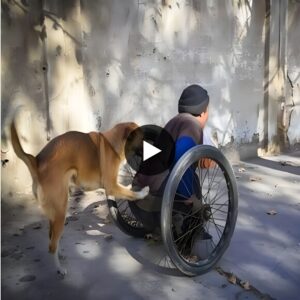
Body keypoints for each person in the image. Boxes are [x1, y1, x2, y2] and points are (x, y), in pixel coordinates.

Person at [131, 84, 211, 232]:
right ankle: (189, 236)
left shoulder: (174, 122)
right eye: (208, 110)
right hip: (158, 210)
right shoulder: (192, 126)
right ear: (202, 112)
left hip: (137, 205)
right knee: (192, 181)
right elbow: (181, 159)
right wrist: (191, 200)